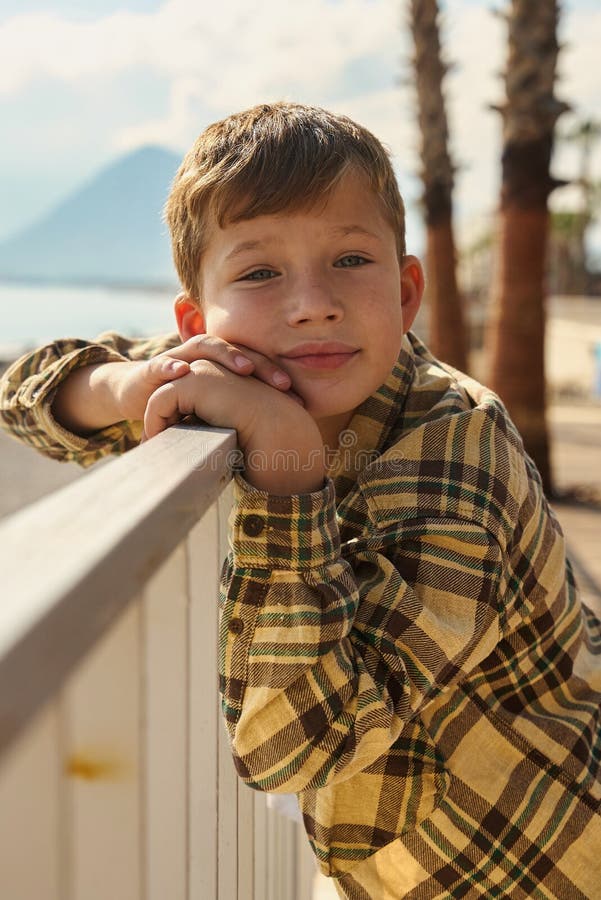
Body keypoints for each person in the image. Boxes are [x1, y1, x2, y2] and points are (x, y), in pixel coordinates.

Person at [1, 102, 600, 898]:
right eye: (258, 273)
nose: (311, 302)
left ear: (407, 289)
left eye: (351, 260)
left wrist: (286, 471)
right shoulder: (237, 365)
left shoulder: (455, 444)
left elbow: (306, 746)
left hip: (539, 861)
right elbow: (22, 391)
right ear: (197, 324)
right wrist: (131, 383)